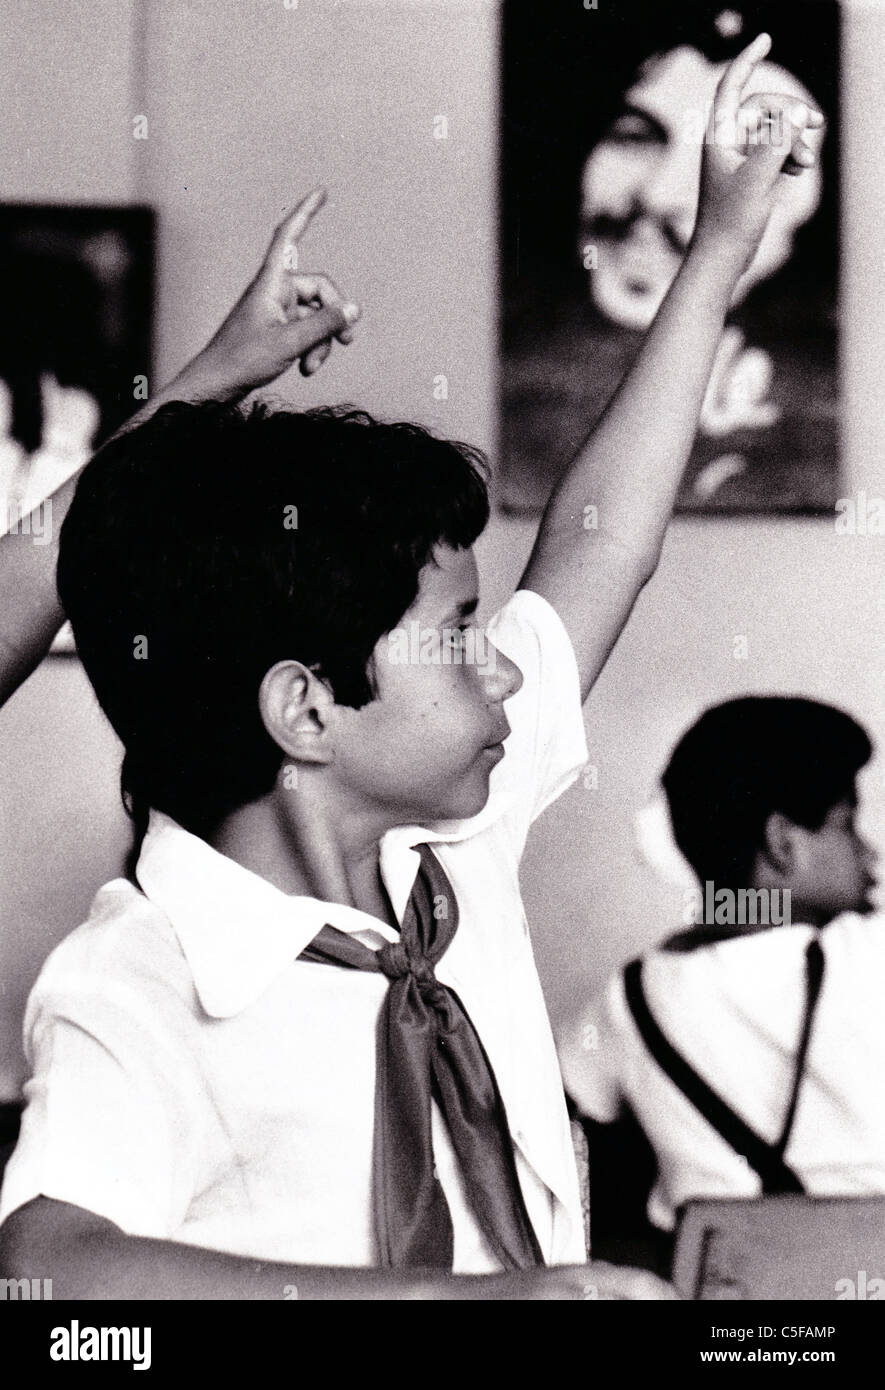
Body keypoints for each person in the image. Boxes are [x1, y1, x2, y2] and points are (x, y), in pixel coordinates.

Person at [0, 37, 820, 1298]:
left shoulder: (452, 839)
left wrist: (718, 249)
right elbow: (50, 1285)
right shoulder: (143, 974)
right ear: (308, 708)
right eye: (457, 631)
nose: (504, 670)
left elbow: (603, 543)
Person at [559, 696, 881, 1269]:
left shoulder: (630, 994)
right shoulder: (866, 951)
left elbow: (566, 1119)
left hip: (726, 1304)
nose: (869, 852)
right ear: (783, 841)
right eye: (846, 824)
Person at [501, 1, 836, 513]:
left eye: (748, 150)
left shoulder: (826, 424)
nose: (657, 194)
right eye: (636, 135)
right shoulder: (513, 390)